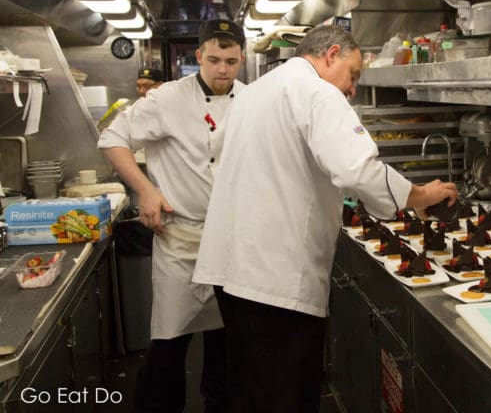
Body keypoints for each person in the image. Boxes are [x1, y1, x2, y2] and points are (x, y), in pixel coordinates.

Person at [193, 25, 458, 412]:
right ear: (332, 54)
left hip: (236, 273)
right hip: (275, 282)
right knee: (285, 397)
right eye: (353, 75)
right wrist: (419, 197)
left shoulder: (260, 90)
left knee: (251, 391)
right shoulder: (317, 92)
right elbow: (357, 171)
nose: (351, 89)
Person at [98, 19, 247, 413]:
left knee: (227, 352)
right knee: (167, 348)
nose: (222, 70)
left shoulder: (252, 101)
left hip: (234, 245)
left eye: (230, 61)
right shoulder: (166, 100)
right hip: (181, 241)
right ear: (198, 56)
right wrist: (145, 189)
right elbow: (113, 138)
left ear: (242, 60)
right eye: (213, 59)